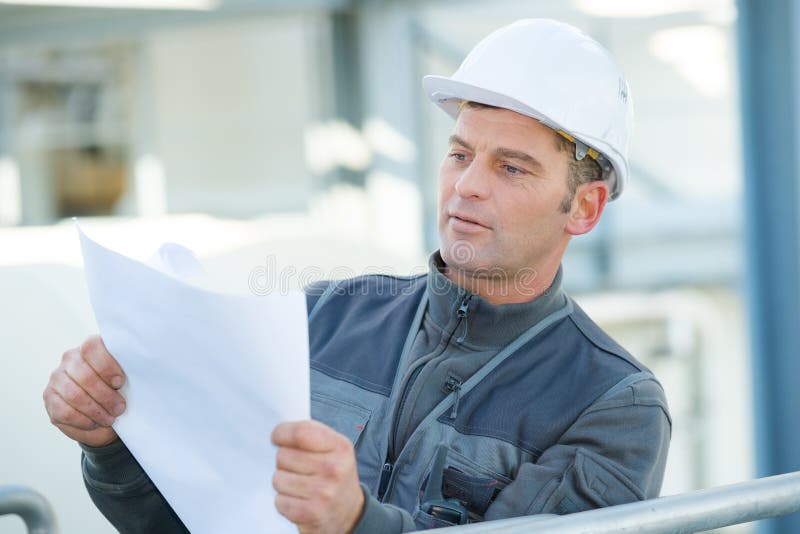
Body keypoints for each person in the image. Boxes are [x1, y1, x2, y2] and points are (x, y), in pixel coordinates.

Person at [42, 18, 671, 534]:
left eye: (512, 168)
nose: (467, 186)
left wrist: (356, 523)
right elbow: (186, 522)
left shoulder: (613, 407)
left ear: (583, 208)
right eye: (459, 154)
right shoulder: (321, 318)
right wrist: (110, 444)